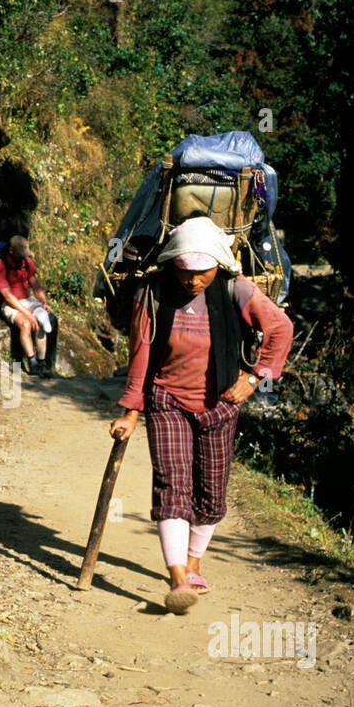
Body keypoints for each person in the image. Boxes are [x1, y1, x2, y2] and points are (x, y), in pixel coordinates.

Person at [109, 217, 293, 613]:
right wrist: (130, 412)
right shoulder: (153, 294)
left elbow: (281, 328)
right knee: (172, 487)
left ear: (219, 265)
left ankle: (193, 564)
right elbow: (140, 355)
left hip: (221, 405)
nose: (193, 280)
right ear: (173, 262)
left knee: (211, 496)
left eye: (202, 271)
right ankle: (177, 577)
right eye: (186, 270)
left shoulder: (236, 290)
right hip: (167, 400)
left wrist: (256, 376)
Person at [0, 234, 57, 376]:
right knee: (26, 324)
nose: (23, 258)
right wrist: (28, 314)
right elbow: (8, 296)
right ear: (11, 251)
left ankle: (42, 363)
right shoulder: (0, 267)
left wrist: (43, 302)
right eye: (20, 255)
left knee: (42, 320)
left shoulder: (26, 262)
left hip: (27, 299)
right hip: (9, 303)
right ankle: (32, 363)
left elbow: (34, 283)